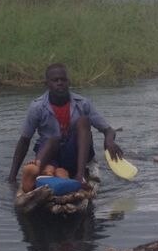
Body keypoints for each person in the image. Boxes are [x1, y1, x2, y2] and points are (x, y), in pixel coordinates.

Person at [8, 63, 123, 192]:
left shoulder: (83, 103)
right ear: (47, 84)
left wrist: (109, 140)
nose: (59, 83)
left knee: (83, 121)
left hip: (74, 154)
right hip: (50, 154)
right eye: (55, 80)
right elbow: (24, 140)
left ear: (68, 82)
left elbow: (108, 130)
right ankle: (37, 170)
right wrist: (12, 177)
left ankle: (79, 175)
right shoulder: (37, 107)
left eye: (63, 80)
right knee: (53, 140)